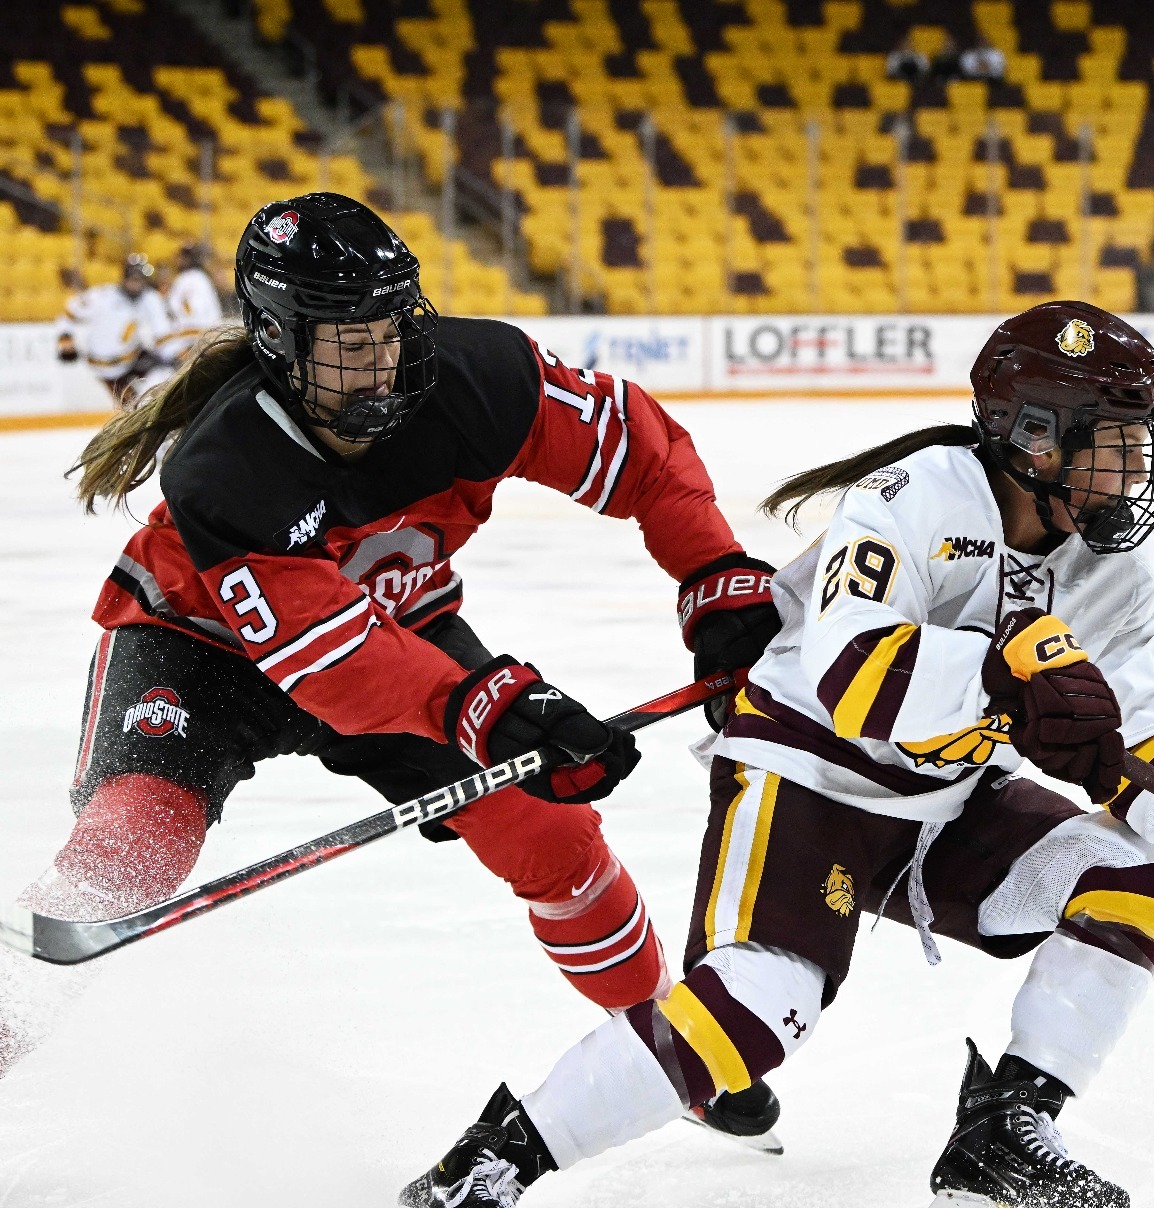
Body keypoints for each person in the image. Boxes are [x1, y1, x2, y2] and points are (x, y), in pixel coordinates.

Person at [397, 301, 1154, 1208]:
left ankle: (1001, 1142)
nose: (1127, 475)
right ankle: (486, 1162)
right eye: (1106, 448)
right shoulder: (917, 497)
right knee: (757, 1007)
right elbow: (848, 671)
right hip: (807, 776)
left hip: (945, 800)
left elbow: (1152, 735)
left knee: (1138, 869)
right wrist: (1000, 678)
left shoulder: (1117, 569)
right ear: (1030, 434)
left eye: (1135, 446)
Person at [0, 194, 782, 1095]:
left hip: (396, 626)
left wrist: (714, 574)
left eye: (389, 328)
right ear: (279, 340)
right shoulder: (228, 466)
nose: (382, 361)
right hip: (198, 648)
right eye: (347, 340)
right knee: (128, 850)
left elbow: (640, 452)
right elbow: (329, 662)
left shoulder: (479, 377)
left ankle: (668, 1048)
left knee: (554, 837)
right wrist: (484, 707)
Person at [55, 254, 175, 404]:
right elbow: (68, 314)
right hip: (105, 366)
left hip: (131, 356)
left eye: (140, 280)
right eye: (134, 280)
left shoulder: (148, 298)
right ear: (125, 278)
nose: (137, 285)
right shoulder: (103, 296)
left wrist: (173, 355)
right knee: (134, 408)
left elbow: (161, 331)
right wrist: (65, 340)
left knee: (165, 373)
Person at [155, 240, 225, 367]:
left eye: (185, 257)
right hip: (205, 339)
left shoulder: (188, 279)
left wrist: (183, 350)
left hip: (195, 341)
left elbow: (190, 316)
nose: (181, 260)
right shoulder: (200, 278)